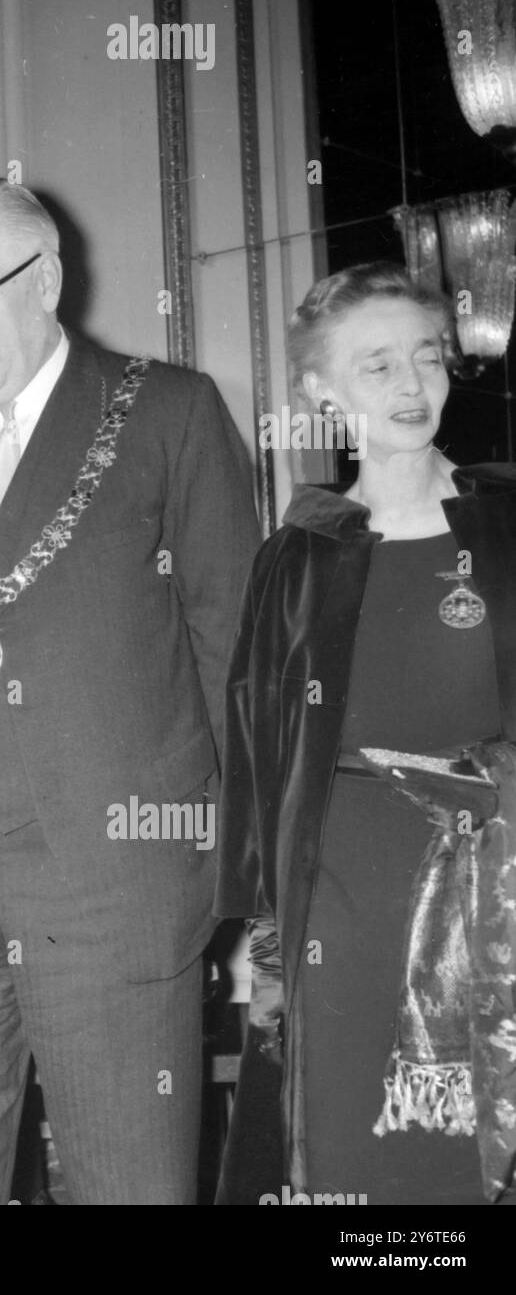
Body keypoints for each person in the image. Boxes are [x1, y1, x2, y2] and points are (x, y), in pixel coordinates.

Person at [0, 177, 259, 1204]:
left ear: (45, 280)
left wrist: (230, 873)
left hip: (116, 879)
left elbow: (232, 652)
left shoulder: (168, 410)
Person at [216, 262, 516, 1206]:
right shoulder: (301, 552)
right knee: (354, 1138)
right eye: (377, 365)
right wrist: (264, 932)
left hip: (504, 879)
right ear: (321, 390)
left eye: (426, 357)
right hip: (344, 890)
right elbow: (257, 741)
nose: (411, 384)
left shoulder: (509, 520)